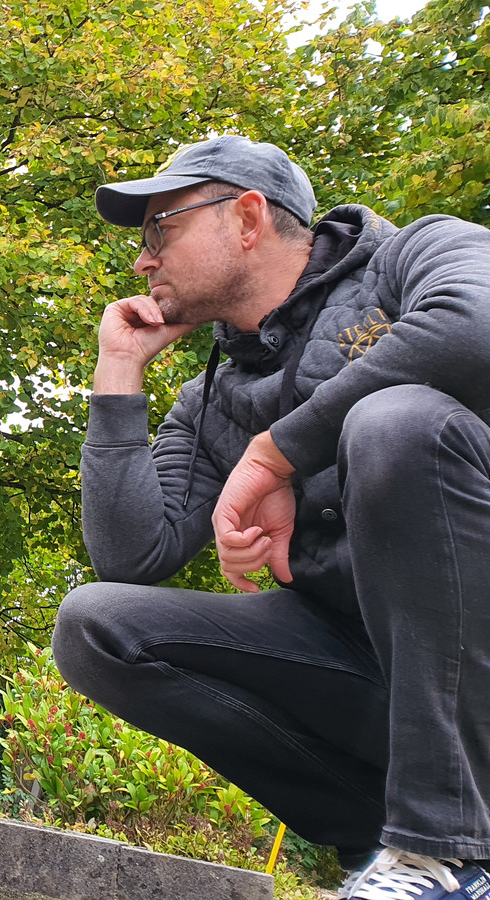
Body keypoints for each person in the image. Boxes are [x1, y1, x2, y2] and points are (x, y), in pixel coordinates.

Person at [50, 134, 490, 899]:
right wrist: (117, 371)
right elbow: (130, 554)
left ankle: (443, 849)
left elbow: (477, 325)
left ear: (247, 217)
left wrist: (276, 454)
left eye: (160, 229)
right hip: (372, 676)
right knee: (96, 627)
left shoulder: (415, 254)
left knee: (394, 424)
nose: (141, 261)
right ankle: (404, 856)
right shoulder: (212, 399)